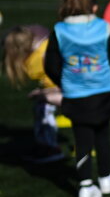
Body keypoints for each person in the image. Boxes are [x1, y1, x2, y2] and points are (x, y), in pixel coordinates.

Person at [43, 0, 110, 197]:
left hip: (75, 94)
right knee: (102, 134)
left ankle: (85, 185)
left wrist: (67, 82)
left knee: (82, 139)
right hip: (103, 92)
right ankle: (106, 177)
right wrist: (106, 77)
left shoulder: (59, 31)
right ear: (95, 7)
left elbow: (50, 65)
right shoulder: (104, 27)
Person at [2, 24, 65, 163]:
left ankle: (51, 149)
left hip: (69, 92)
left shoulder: (42, 57)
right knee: (40, 107)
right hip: (60, 88)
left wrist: (44, 92)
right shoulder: (39, 47)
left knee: (43, 109)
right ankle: (45, 145)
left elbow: (61, 83)